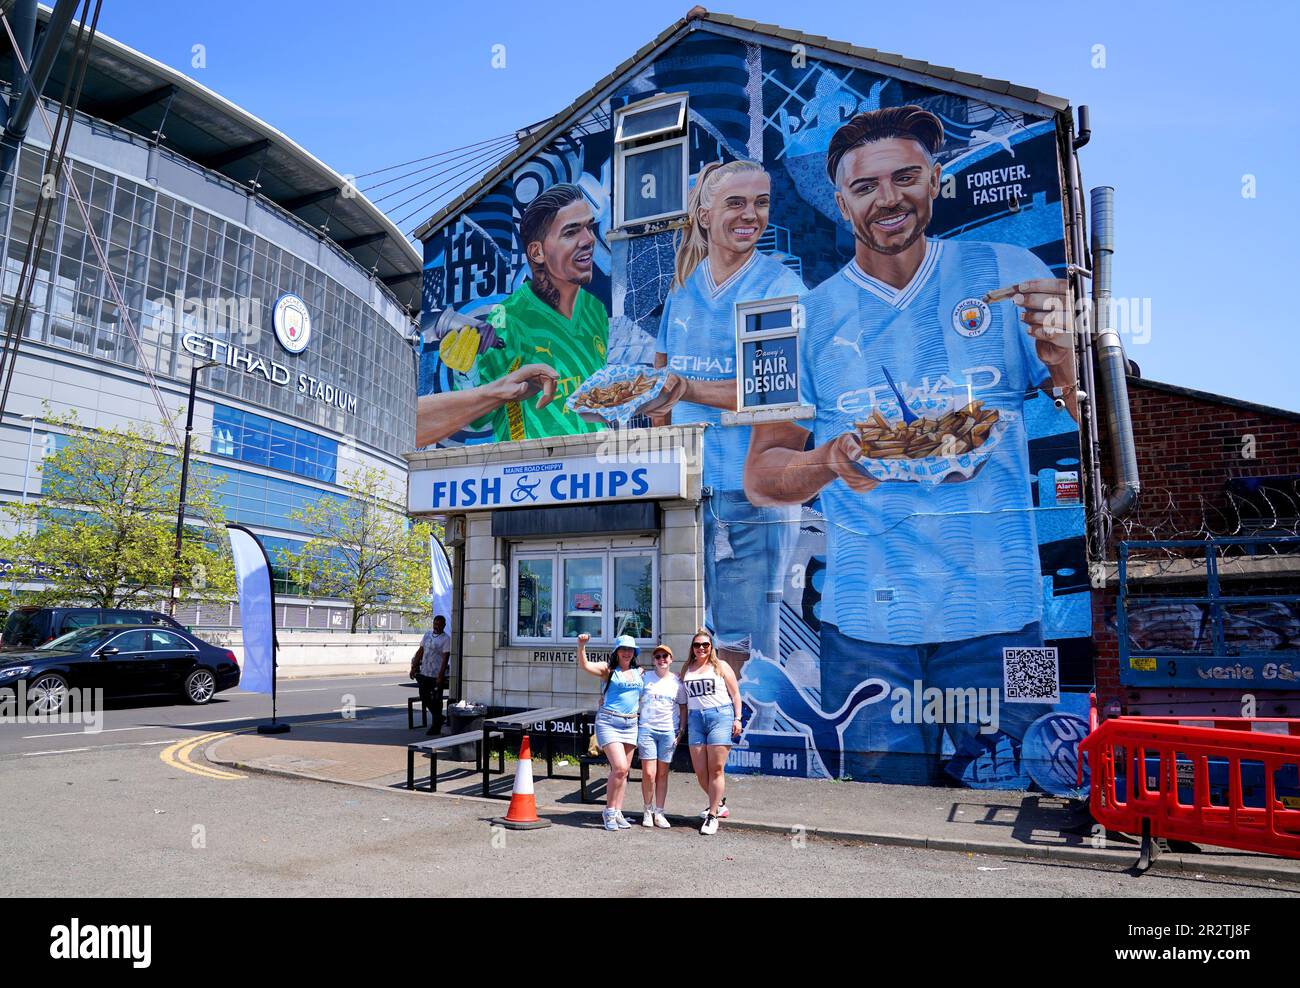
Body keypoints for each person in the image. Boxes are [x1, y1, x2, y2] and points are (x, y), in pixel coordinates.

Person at [743, 105, 1079, 782]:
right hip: (866, 636)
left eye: (905, 178)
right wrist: (826, 461)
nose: (887, 198)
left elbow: (1094, 421)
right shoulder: (799, 319)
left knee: (1029, 793)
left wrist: (1068, 358)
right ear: (841, 203)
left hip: (1006, 621)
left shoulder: (1008, 269)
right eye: (866, 187)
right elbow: (762, 474)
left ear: (934, 181)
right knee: (875, 819)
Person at [647, 160, 805, 671]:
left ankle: (738, 740)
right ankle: (695, 741)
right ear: (705, 212)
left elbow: (776, 396)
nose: (751, 214)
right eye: (736, 202)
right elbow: (660, 380)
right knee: (686, 629)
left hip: (750, 491)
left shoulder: (778, 288)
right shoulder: (682, 292)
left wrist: (686, 388)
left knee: (743, 643)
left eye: (761, 203)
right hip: (691, 488)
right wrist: (661, 460)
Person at [415, 183, 610, 446]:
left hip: (599, 471)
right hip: (530, 471)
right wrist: (467, 373)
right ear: (537, 252)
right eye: (571, 232)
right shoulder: (505, 318)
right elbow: (478, 420)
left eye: (589, 227)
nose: (588, 240)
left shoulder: (595, 309)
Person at [578, 632, 644, 831]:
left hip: (631, 724)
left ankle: (617, 811)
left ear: (634, 652)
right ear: (617, 651)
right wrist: (581, 646)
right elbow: (586, 665)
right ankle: (608, 811)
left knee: (623, 772)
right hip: (609, 722)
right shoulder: (608, 669)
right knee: (620, 768)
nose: (626, 653)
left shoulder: (639, 672)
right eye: (623, 649)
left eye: (630, 649)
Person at [681, 628, 742, 835]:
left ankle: (713, 815)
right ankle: (719, 803)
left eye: (705, 645)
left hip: (720, 716)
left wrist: (738, 718)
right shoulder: (687, 668)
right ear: (692, 647)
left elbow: (735, 694)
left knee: (716, 768)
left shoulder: (721, 666)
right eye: (697, 645)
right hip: (696, 718)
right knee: (700, 771)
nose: (701, 648)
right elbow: (680, 694)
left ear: (711, 647)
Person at [637, 643, 687, 829]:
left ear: (671, 660)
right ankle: (647, 810)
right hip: (647, 730)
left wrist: (681, 730)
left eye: (665, 656)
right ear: (653, 660)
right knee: (649, 773)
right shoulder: (645, 678)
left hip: (668, 731)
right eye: (658, 657)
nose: (662, 660)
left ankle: (659, 812)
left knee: (663, 773)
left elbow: (683, 707)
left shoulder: (677, 682)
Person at [409, 615, 451, 736]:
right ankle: (440, 718)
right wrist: (414, 666)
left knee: (436, 700)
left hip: (436, 674)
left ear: (444, 625)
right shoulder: (427, 635)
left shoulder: (446, 639)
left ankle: (435, 725)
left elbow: (445, 659)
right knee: (424, 696)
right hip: (425, 672)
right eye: (435, 624)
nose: (436, 626)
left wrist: (440, 676)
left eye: (439, 624)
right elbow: (420, 651)